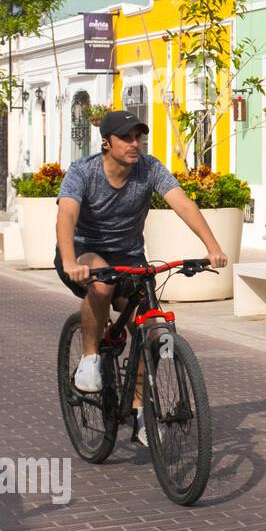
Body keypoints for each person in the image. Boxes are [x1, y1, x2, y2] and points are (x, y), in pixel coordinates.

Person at [55, 110, 228, 444]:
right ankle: (90, 357)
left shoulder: (149, 168)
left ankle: (138, 411)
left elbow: (183, 204)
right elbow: (66, 215)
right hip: (83, 251)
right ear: (106, 142)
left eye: (139, 137)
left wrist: (212, 247)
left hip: (130, 258)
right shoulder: (83, 172)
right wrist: (68, 259)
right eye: (127, 138)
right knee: (101, 285)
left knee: (150, 326)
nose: (135, 144)